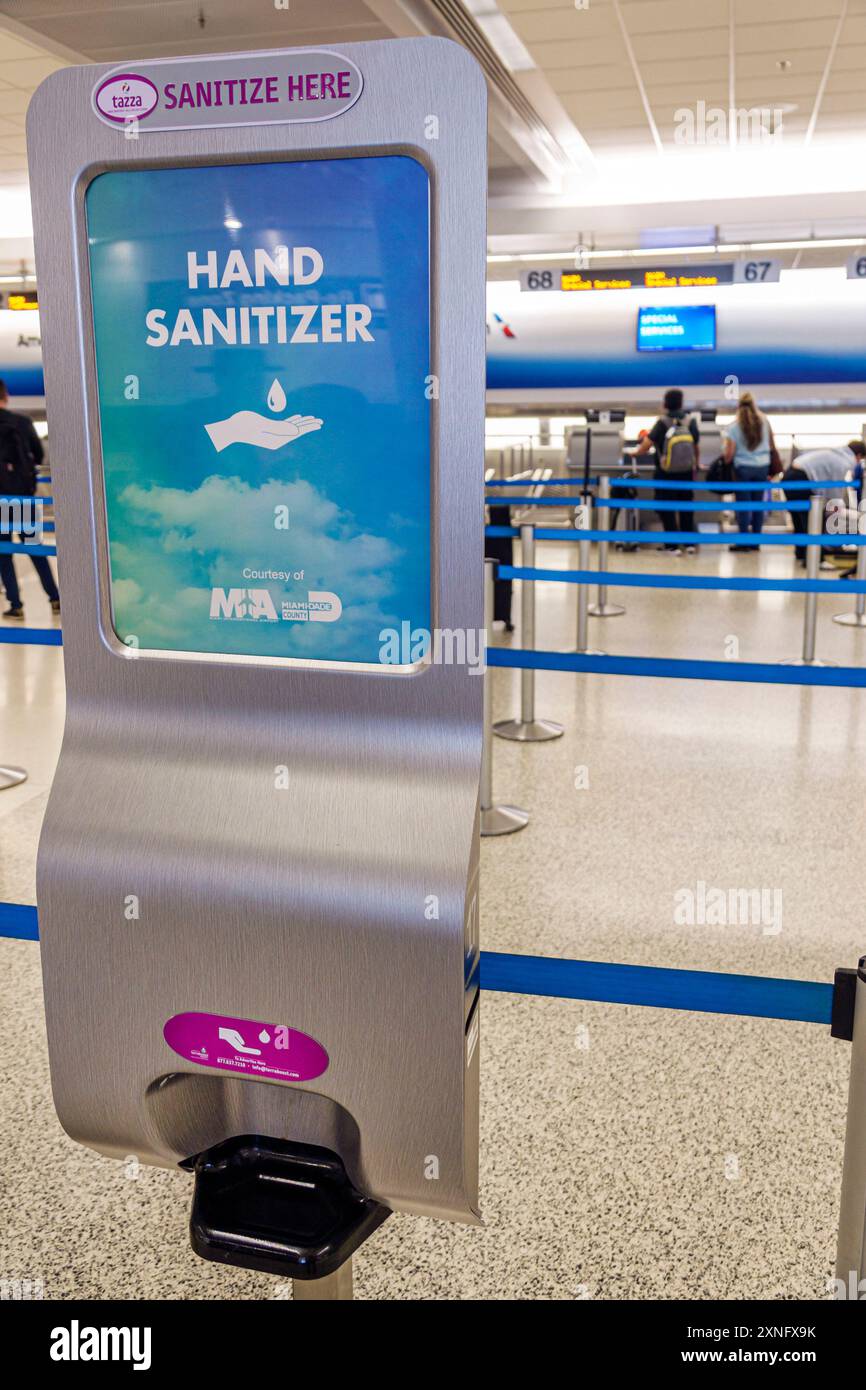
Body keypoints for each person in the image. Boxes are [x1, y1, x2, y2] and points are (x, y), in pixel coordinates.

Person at [0, 378, 59, 619]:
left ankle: (16, 605)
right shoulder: (22, 422)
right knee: (34, 548)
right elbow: (37, 453)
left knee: (4, 553)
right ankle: (55, 598)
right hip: (23, 497)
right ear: (6, 396)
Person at [635, 388, 700, 554]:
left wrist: (635, 452)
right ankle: (689, 544)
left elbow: (646, 445)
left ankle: (672, 546)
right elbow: (696, 447)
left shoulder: (662, 422)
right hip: (686, 472)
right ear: (681, 403)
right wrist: (696, 465)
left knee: (666, 508)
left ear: (665, 404)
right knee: (686, 507)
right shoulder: (690, 421)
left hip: (665, 474)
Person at [782, 439, 866, 566]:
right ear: (859, 456)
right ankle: (815, 560)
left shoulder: (836, 453)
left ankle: (801, 553)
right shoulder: (844, 462)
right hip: (802, 477)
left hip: (789, 475)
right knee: (813, 520)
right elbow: (834, 488)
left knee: (799, 518)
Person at [722, 393, 773, 548]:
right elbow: (771, 445)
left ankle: (743, 542)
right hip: (762, 467)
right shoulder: (765, 422)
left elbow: (729, 455)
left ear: (739, 406)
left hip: (743, 469)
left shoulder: (733, 427)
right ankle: (756, 542)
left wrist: (725, 457)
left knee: (743, 506)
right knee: (758, 505)